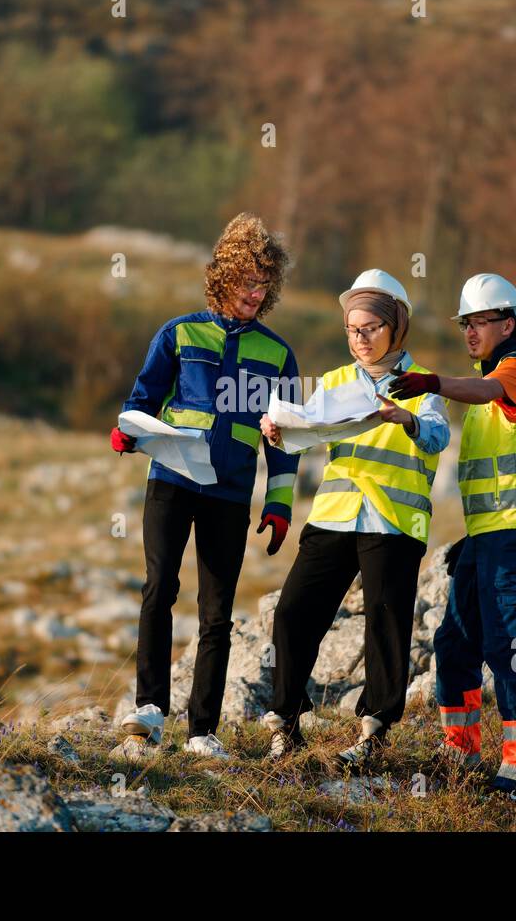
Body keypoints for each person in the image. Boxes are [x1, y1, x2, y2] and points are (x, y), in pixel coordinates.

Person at [111, 213, 301, 760]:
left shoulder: (279, 354)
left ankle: (202, 732)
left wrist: (280, 504)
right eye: (246, 278)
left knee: (217, 612)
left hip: (229, 493)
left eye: (264, 282)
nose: (255, 291)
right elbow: (141, 402)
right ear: (223, 275)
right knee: (158, 590)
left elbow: (285, 440)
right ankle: (149, 709)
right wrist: (126, 432)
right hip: (170, 480)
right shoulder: (178, 333)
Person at [259, 269, 450, 770]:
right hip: (335, 516)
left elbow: (435, 437)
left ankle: (374, 731)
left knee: (385, 625)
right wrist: (280, 432)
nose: (358, 339)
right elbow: (309, 434)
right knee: (293, 614)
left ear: (396, 328)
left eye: (369, 329)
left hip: (392, 522)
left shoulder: (421, 384)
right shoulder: (336, 381)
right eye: (351, 329)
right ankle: (285, 722)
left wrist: (403, 417)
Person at [390, 273, 516, 799]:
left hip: (515, 537)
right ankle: (459, 752)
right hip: (485, 537)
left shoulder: (515, 371)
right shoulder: (494, 373)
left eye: (479, 322)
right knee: (455, 642)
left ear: (508, 323)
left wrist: (433, 384)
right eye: (465, 324)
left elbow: (485, 390)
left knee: (510, 646)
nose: (470, 332)